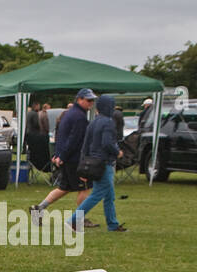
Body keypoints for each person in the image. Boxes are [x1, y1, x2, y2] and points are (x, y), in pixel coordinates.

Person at [32, 88, 96, 225]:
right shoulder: (79, 117)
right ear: (79, 99)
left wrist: (58, 155)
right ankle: (80, 219)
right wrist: (63, 156)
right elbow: (74, 140)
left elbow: (60, 136)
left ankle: (39, 208)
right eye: (88, 100)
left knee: (64, 188)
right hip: (75, 159)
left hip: (67, 158)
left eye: (92, 100)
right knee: (84, 188)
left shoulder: (68, 114)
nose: (91, 103)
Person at [68, 94, 127, 234]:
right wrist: (117, 151)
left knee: (109, 196)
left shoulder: (93, 122)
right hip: (104, 163)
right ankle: (73, 220)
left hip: (92, 163)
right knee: (98, 193)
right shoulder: (108, 122)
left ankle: (112, 224)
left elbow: (85, 145)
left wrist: (82, 166)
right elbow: (107, 143)